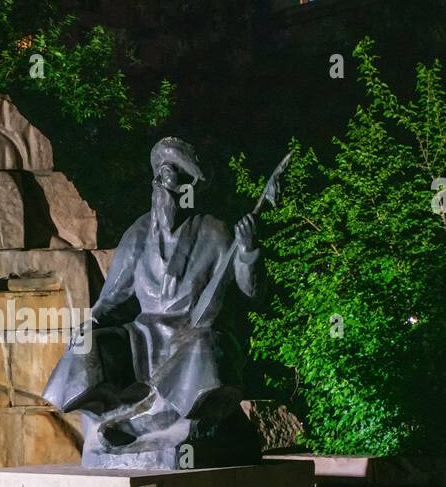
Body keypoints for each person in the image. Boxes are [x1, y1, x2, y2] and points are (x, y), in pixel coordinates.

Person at [43, 137, 282, 466]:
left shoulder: (214, 232)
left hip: (192, 335)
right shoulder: (138, 234)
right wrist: (89, 324)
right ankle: (112, 420)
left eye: (170, 178)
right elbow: (111, 299)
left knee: (207, 347)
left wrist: (248, 252)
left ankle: (157, 425)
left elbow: (252, 292)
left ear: (188, 186)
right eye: (158, 177)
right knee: (89, 344)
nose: (162, 185)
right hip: (143, 339)